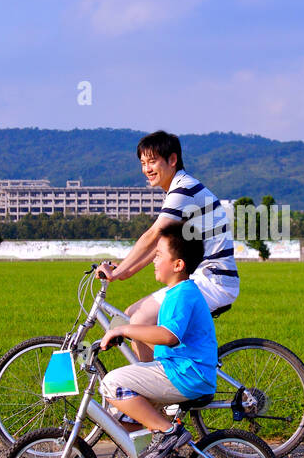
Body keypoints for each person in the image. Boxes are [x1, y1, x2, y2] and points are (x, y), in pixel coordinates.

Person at [96, 131, 238, 362]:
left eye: (152, 162)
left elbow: (153, 234)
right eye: (143, 163)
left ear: (172, 160)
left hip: (213, 281)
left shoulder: (184, 189)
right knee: (132, 315)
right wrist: (126, 271)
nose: (146, 169)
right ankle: (161, 386)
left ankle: (163, 387)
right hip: (205, 279)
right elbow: (163, 245)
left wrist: (119, 272)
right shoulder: (180, 189)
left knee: (138, 320)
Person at [98, 224, 217, 458]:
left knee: (111, 384)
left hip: (186, 373)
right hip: (179, 370)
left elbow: (169, 336)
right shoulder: (178, 292)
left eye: (159, 255)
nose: (154, 259)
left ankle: (168, 432)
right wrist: (128, 332)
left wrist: (124, 329)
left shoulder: (182, 294)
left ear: (178, 264)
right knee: (119, 415)